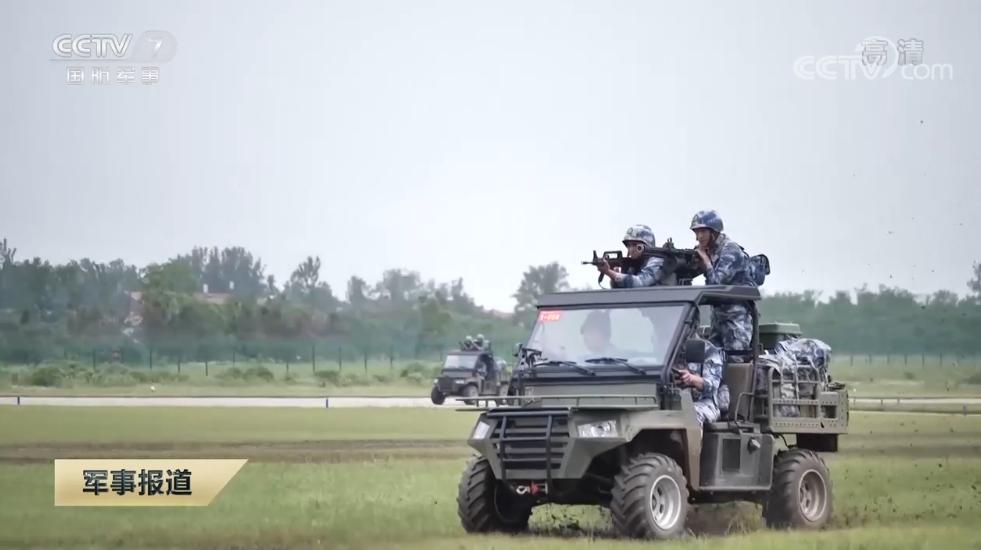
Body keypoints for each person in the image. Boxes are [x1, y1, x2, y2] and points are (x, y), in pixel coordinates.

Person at [690, 210, 755, 354]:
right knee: (712, 361)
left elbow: (716, 284)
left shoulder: (730, 250)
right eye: (697, 232)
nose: (699, 237)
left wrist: (706, 262)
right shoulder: (710, 250)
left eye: (703, 231)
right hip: (719, 318)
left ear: (714, 231)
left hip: (736, 319)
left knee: (734, 362)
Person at [596, 224, 673, 288]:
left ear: (646, 246)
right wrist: (614, 276)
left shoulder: (657, 260)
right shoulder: (636, 263)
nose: (631, 249)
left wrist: (609, 272)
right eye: (629, 245)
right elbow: (623, 292)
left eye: (635, 245)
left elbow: (640, 283)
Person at [673, 336, 724, 426]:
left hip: (704, 402)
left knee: (691, 415)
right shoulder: (666, 348)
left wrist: (692, 379)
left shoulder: (707, 349)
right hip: (672, 401)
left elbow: (713, 385)